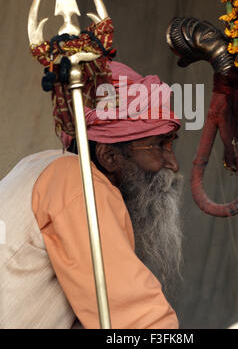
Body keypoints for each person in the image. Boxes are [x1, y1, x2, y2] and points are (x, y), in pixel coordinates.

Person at [0, 60, 184, 329]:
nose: (173, 164)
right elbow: (139, 321)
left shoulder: (38, 166)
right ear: (109, 157)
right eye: (158, 146)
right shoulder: (78, 184)